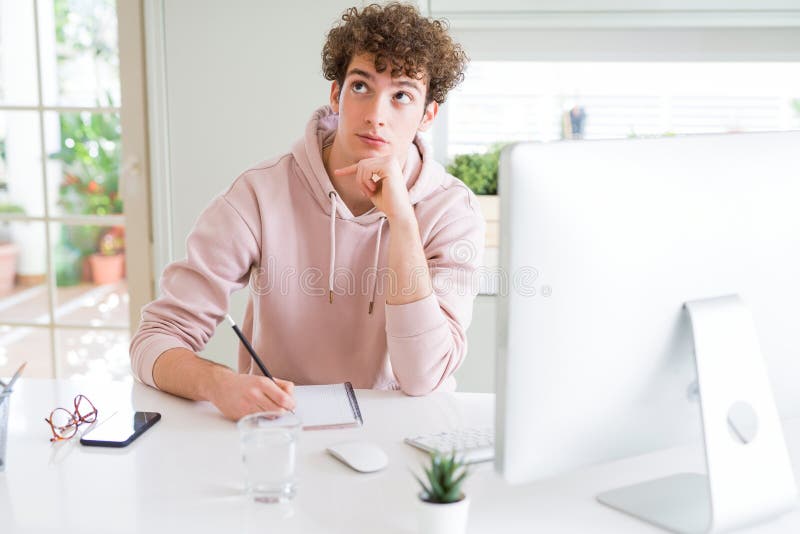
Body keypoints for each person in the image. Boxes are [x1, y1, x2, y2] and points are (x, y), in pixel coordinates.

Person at [130, 2, 485, 421]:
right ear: (336, 95)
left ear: (428, 114)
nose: (376, 116)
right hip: (284, 428)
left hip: (402, 432)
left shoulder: (451, 210)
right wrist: (218, 383)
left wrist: (403, 221)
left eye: (402, 95)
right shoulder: (259, 194)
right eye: (360, 87)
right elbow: (154, 339)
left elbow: (423, 377)